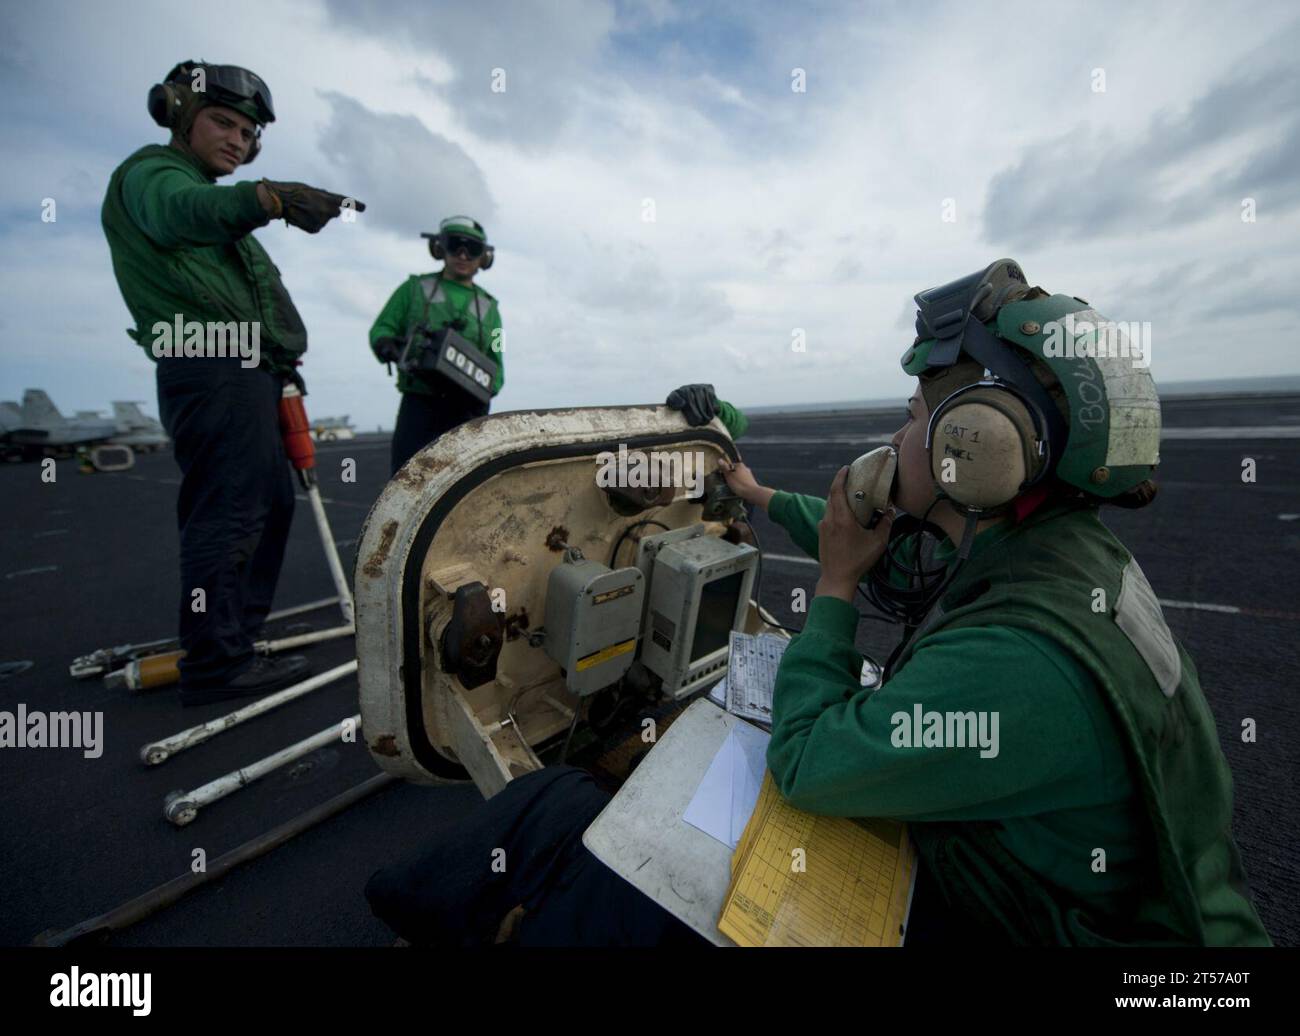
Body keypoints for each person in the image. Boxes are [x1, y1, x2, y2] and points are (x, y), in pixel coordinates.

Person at [102, 60, 360, 705]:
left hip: (247, 370)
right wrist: (267, 198)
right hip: (208, 365)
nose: (237, 141)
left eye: (247, 133)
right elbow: (178, 214)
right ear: (180, 117)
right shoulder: (154, 175)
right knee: (230, 512)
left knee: (266, 503)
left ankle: (230, 642)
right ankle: (216, 664)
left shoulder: (218, 206)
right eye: (222, 122)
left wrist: (277, 365)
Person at [370, 217, 505, 475]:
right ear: (440, 248)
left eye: (472, 249)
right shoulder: (413, 290)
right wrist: (387, 345)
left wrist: (487, 390)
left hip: (466, 409)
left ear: (483, 258)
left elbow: (496, 355)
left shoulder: (491, 309)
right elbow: (383, 327)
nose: (463, 255)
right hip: (420, 402)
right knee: (407, 477)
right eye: (455, 246)